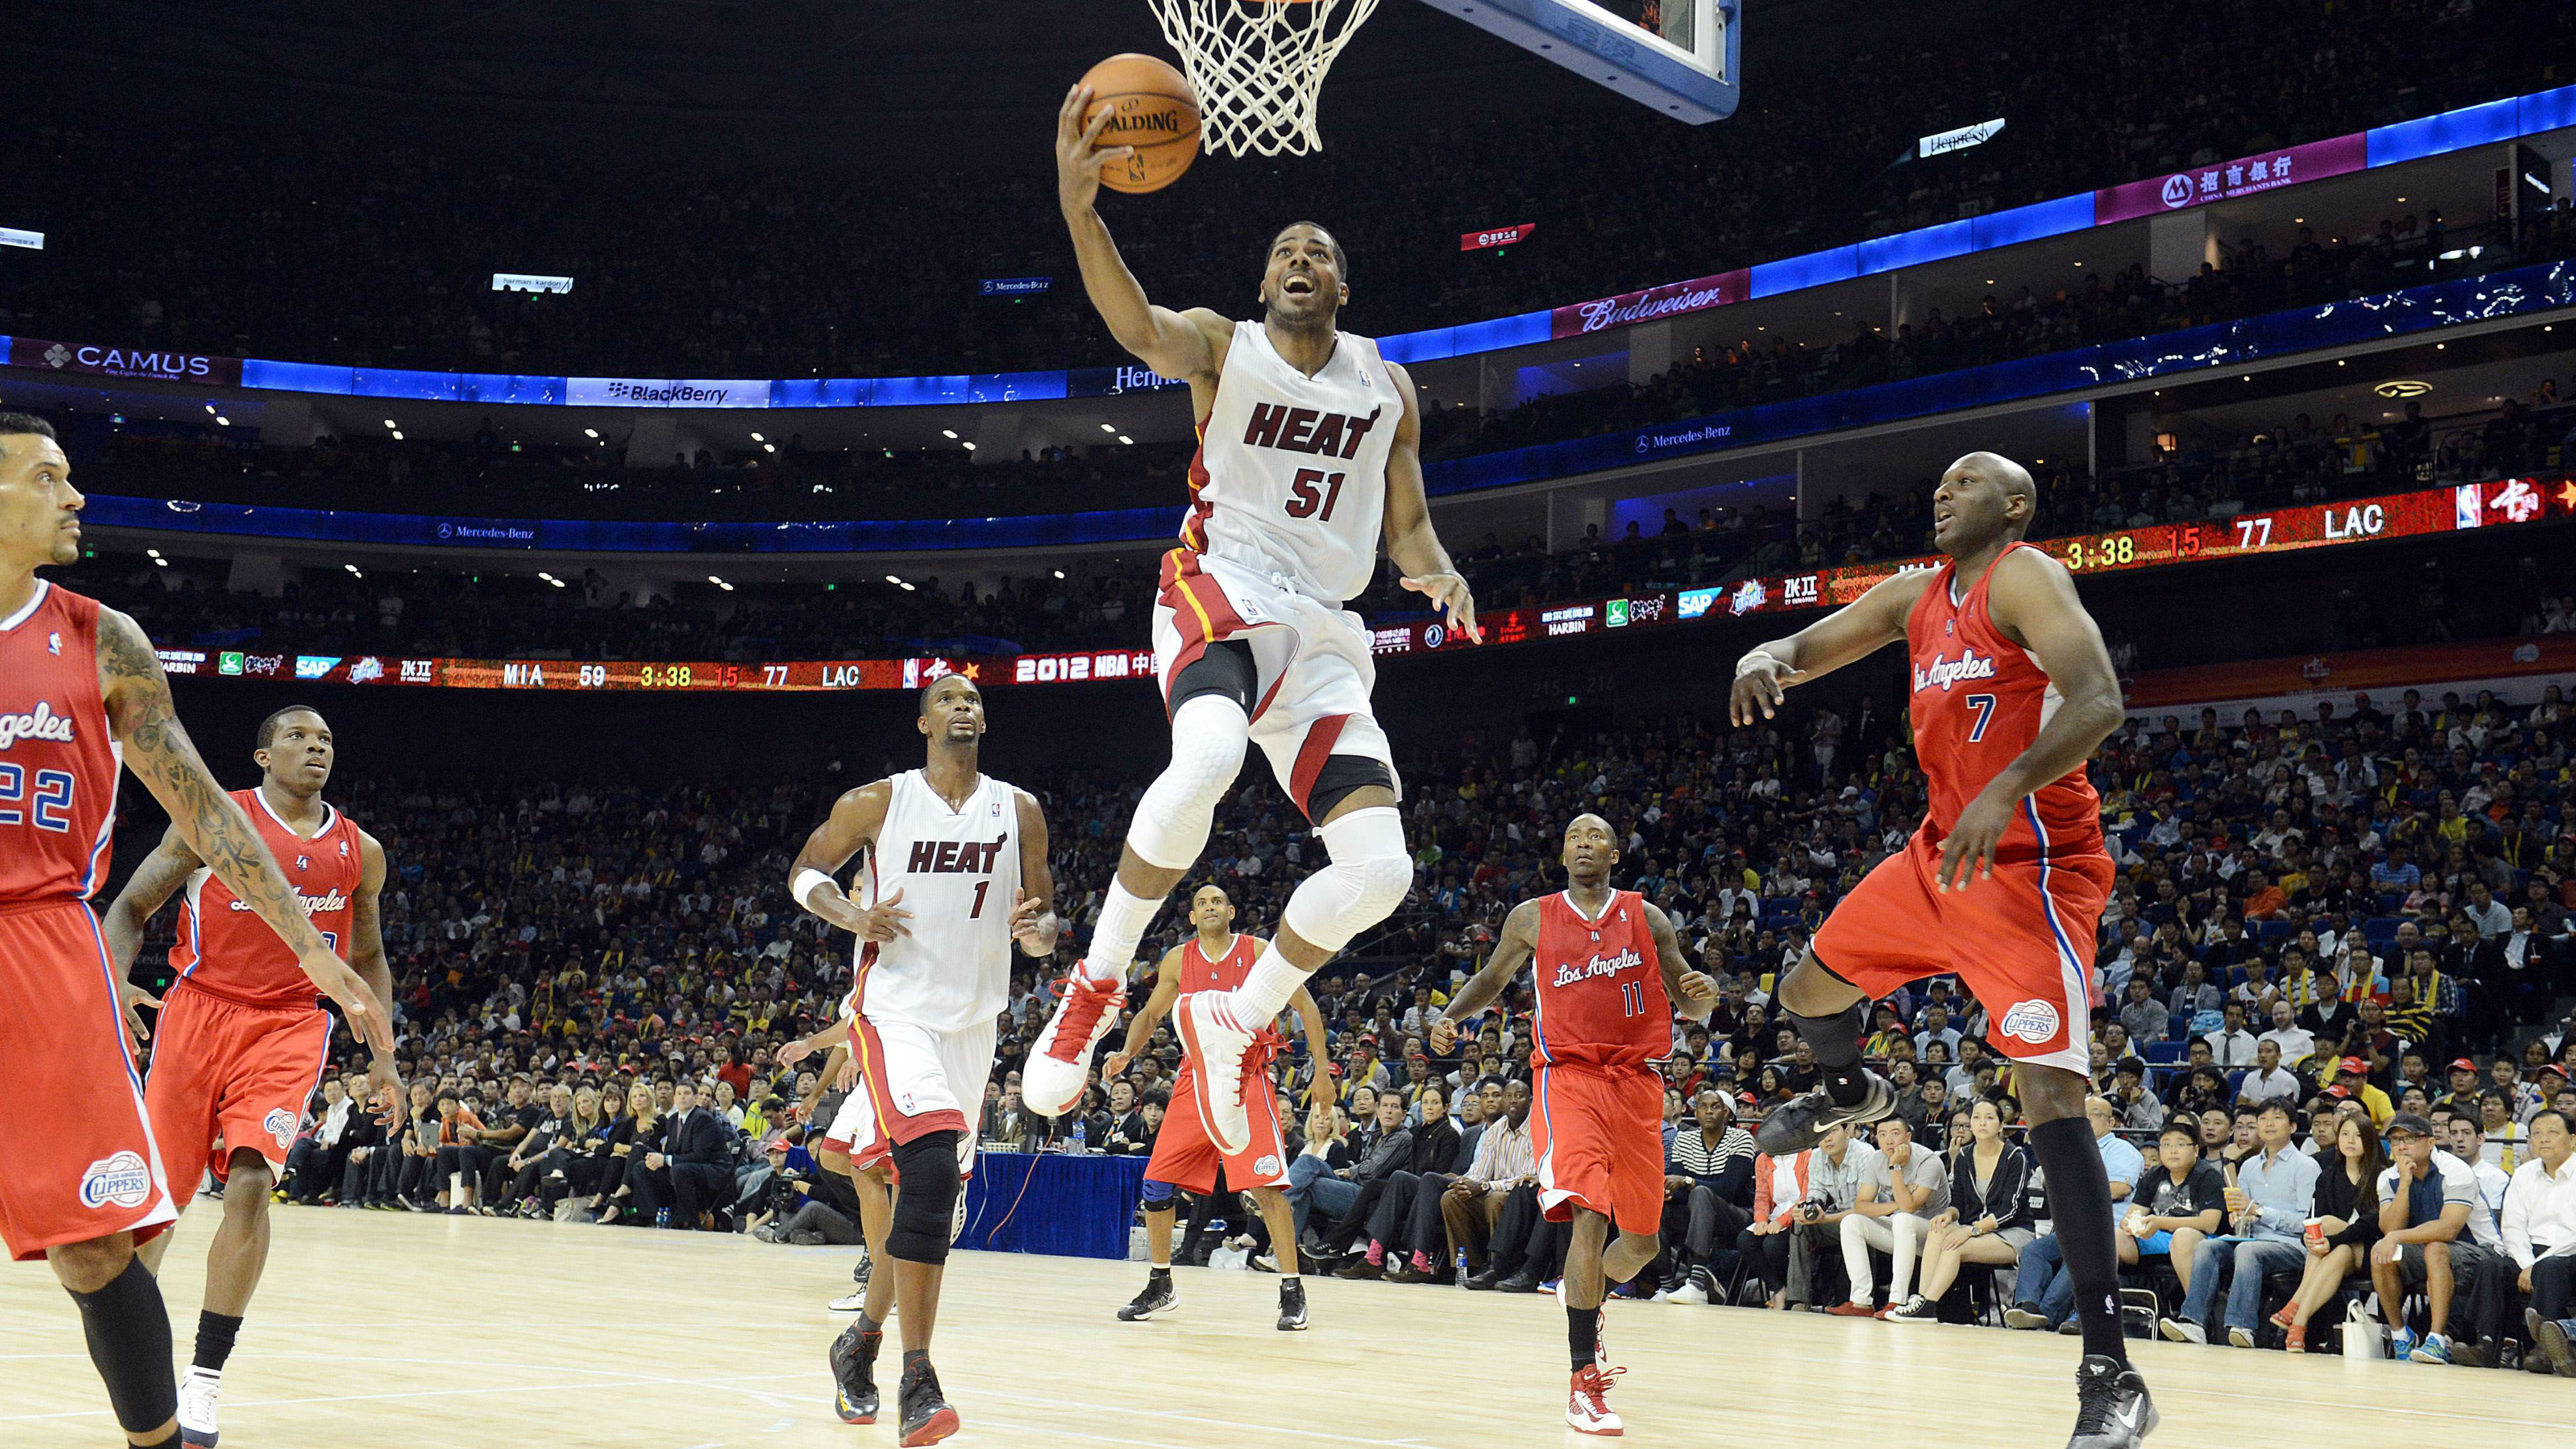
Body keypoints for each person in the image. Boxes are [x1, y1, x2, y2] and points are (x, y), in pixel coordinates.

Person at [1024, 84, 1482, 1163]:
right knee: (1210, 756)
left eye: (1317, 251)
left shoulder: (1389, 386)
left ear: (1341, 283)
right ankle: (1095, 982)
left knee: (1383, 872)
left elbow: (1405, 525)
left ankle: (1235, 1019)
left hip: (1324, 634)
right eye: (1285, 250)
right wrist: (1080, 210)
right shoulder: (1224, 349)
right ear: (1263, 281)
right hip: (1219, 590)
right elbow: (1134, 323)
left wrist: (1441, 572)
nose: (1300, 259)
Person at [1731, 451, 2152, 1447]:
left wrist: (2006, 786)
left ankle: (2109, 1371)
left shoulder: (2023, 575)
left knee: (2047, 1095)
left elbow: (2099, 700)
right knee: (1808, 990)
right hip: (1937, 859)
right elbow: (1810, 644)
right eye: (1938, 480)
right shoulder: (1918, 595)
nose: (1939, 488)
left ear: (2011, 506)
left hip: (2029, 867)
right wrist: (1766, 657)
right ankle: (1851, 1093)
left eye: (1964, 481)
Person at [0, 410, 391, 1449]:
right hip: (150, 989)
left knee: (97, 1248)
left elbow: (208, 816)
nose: (76, 496)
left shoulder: (99, 640)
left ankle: (168, 1435)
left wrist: (311, 944)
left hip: (39, 942)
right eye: (49, 477)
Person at [102, 706, 406, 1444]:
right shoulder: (214, 821)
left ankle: (204, 1379)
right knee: (156, 1212)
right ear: (263, 756)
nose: (316, 748)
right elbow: (132, 905)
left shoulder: (359, 850)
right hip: (197, 1013)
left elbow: (366, 958)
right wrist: (112, 981)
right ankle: (142, 1377)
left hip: (292, 1024)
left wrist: (386, 1059)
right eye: (299, 737)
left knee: (249, 1182)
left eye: (327, 738)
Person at [794, 673, 1060, 1446]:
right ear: (922, 721)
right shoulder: (878, 801)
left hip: (974, 1023)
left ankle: (860, 1341)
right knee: (932, 1171)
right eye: (948, 697)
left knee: (930, 1203)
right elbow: (806, 871)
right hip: (895, 1011)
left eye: (974, 698)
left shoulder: (1019, 810)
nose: (964, 706)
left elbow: (1044, 917)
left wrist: (1036, 931)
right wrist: (851, 911)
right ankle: (918, 1377)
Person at [1430, 814, 1717, 1435]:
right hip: (1569, 1081)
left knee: (1641, 1245)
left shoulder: (1648, 917)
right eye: (1574, 838)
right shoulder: (1533, 916)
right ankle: (1583, 1382)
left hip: (1639, 1086)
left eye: (1596, 837)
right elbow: (1492, 978)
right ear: (1562, 853)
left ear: (1616, 852)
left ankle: (1578, 1291)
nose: (1585, 845)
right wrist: (1451, 1016)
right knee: (1590, 1211)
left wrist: (1705, 994)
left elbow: (1690, 1002)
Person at [1100, 884, 1328, 1330]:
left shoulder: (1259, 951)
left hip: (1247, 1078)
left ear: (1232, 911)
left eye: (1218, 901)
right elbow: (1150, 1015)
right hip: (1194, 1079)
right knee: (1157, 1185)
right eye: (1202, 902)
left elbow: (1306, 1005)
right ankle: (1161, 1283)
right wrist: (1127, 1052)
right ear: (1191, 917)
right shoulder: (1177, 960)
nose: (1210, 907)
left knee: (1267, 1189)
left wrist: (1321, 1071)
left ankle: (1292, 1288)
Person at [2159, 1100, 2318, 1348]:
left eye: (2277, 1118)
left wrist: (2260, 1211)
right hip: (2250, 1239)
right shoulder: (2249, 1166)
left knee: (2247, 1251)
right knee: (2207, 1248)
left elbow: (2306, 1221)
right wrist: (2238, 1217)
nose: (2268, 1124)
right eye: (2263, 1119)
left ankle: (2242, 1326)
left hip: (2290, 1245)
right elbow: (2242, 1210)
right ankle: (2195, 1323)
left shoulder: (2307, 1166)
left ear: (2293, 1126)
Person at [2368, 1113, 2506, 1366]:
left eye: (2409, 1138)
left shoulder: (2456, 1170)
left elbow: (2448, 1229)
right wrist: (2404, 1185)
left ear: (2431, 1142)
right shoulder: (2388, 1177)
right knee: (2381, 1255)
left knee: (2435, 1249)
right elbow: (2390, 1229)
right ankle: (2401, 1335)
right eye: (2395, 1139)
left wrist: (2397, 1236)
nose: (2401, 1146)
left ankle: (2437, 1340)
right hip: (2427, 1250)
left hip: (2481, 1254)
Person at [1895, 1097, 2033, 1321]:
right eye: (1976, 1118)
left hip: (2013, 1233)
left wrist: (1971, 1230)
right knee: (1938, 1230)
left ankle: (1929, 1306)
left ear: (2001, 1126)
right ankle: (1920, 1299)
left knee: (1954, 1248)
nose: (1982, 1123)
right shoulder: (1964, 1157)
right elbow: (1958, 1200)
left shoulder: (2015, 1157)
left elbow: (2011, 1209)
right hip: (1976, 1228)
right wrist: (1948, 1215)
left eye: (1989, 1118)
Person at [2274, 1110, 2385, 1352]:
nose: (2350, 1141)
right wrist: (2309, 1239)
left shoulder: (2382, 1175)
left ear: (2370, 1139)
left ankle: (2295, 1303)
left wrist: (2331, 1240)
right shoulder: (2328, 1176)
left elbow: (2371, 1224)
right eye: (2345, 1134)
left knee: (2329, 1229)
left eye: (2358, 1135)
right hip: (2339, 1252)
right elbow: (2313, 1220)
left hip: (2375, 1250)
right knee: (2333, 1242)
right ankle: (2299, 1326)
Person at [1832, 1116, 1949, 1317]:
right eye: (1883, 1135)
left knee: (1903, 1219)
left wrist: (1895, 1168)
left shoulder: (1929, 1162)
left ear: (1908, 1137)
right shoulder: (1876, 1160)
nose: (1889, 1141)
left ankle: (1897, 1300)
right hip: (1902, 1230)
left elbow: (1909, 1208)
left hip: (1934, 1233)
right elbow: (1861, 1206)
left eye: (1895, 1134)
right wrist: (1896, 1203)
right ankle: (1861, 1302)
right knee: (1851, 1222)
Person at [2501, 1108, 2575, 1367]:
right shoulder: (2524, 1173)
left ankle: (2545, 1351)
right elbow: (2512, 1226)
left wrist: (2536, 1264)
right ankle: (2486, 1344)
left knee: (2551, 1267)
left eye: (2552, 1133)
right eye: (2537, 1134)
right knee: (2492, 1266)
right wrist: (2525, 1263)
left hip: (2568, 1254)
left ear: (2573, 1139)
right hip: (2528, 1253)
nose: (2544, 1139)